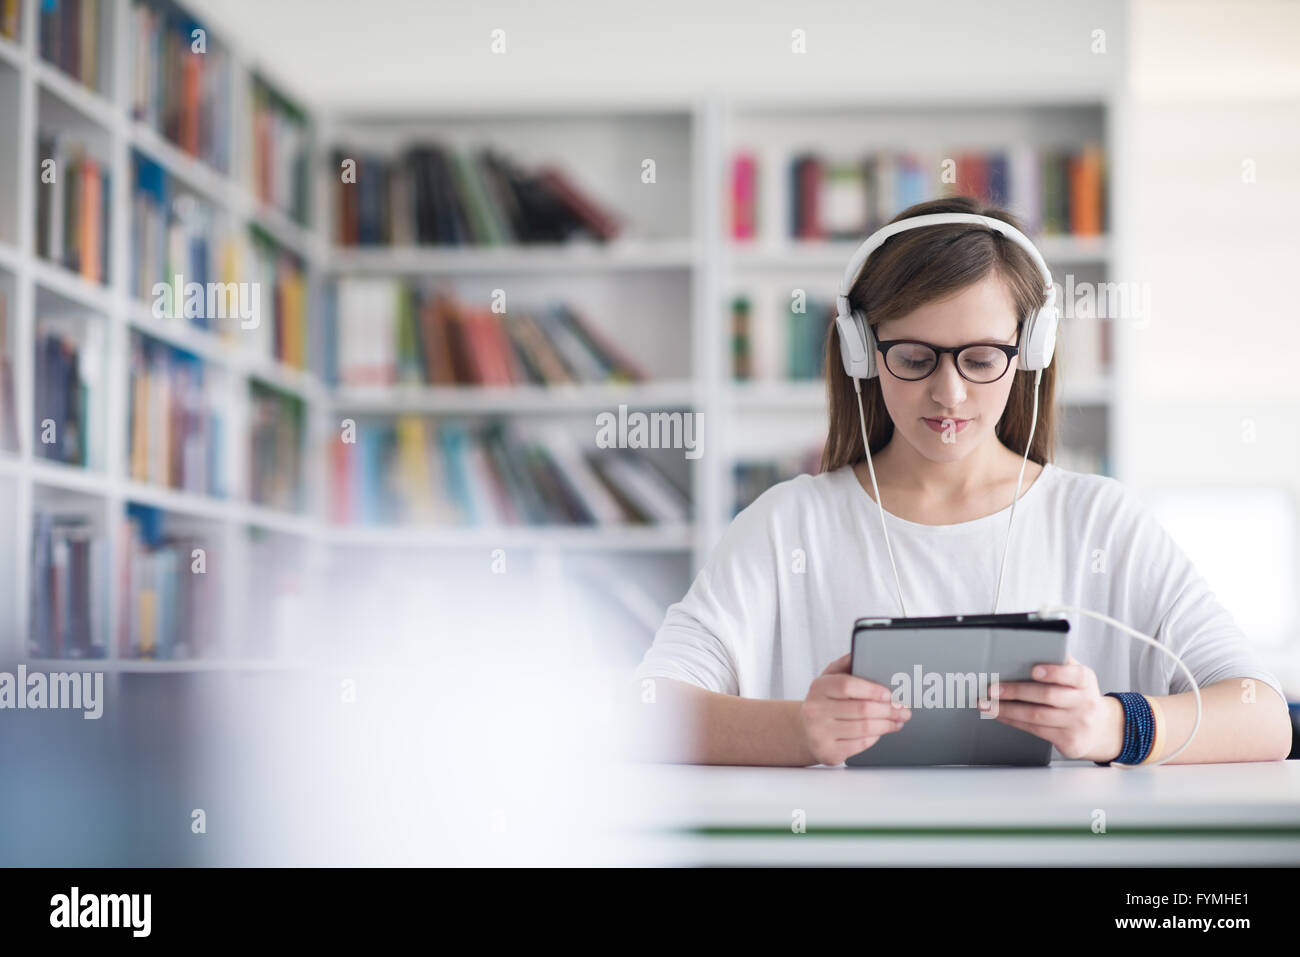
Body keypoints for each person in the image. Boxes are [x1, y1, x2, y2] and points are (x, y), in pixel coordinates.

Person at [630, 195, 1291, 767]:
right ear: (863, 352)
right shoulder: (786, 525)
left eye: (981, 358)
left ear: (1029, 351)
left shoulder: (1099, 521)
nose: (948, 393)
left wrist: (1113, 725)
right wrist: (797, 729)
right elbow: (643, 710)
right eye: (914, 358)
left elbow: (1265, 716)